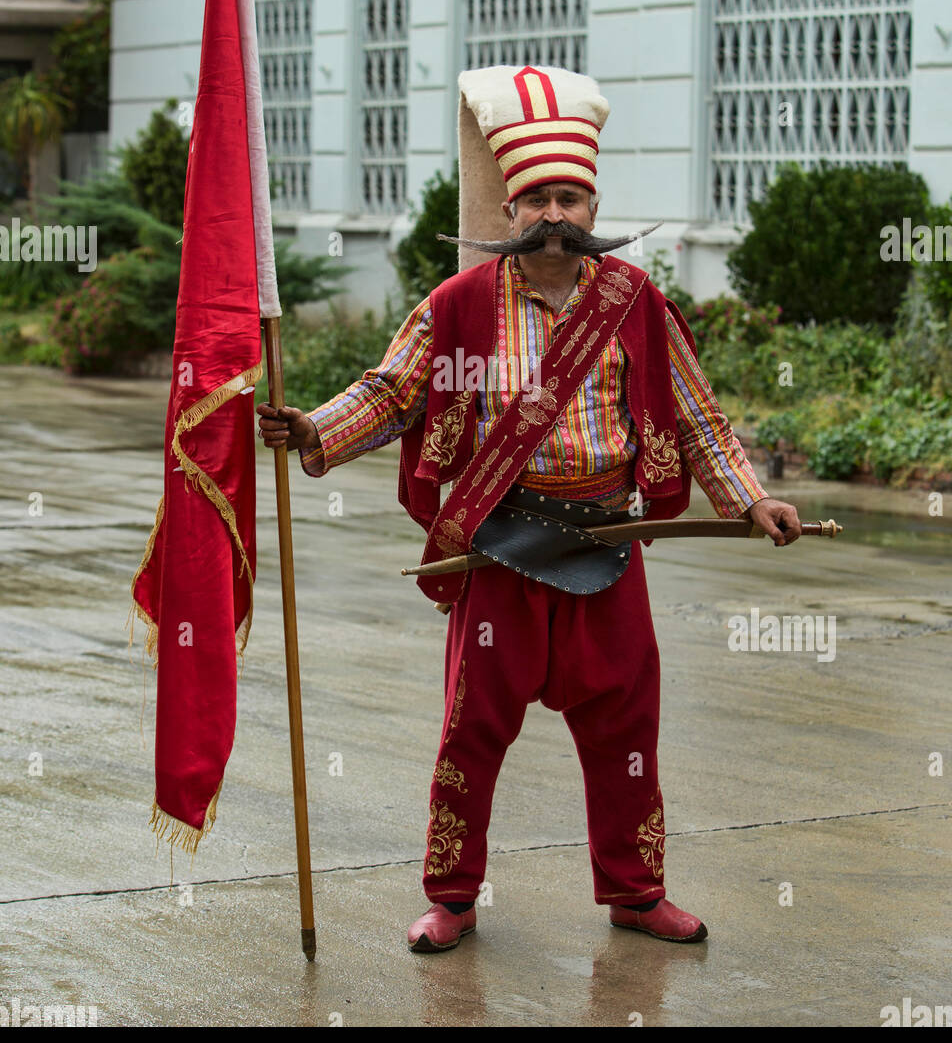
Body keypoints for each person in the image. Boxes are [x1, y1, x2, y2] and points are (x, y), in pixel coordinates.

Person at [258, 64, 801, 953]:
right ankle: (454, 900)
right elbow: (392, 393)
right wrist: (309, 427)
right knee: (471, 731)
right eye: (537, 199)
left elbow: (698, 418)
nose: (556, 214)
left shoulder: (637, 304)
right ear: (508, 212)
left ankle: (635, 892)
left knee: (627, 729)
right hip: (499, 545)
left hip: (609, 543)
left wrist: (752, 498)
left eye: (571, 198)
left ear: (592, 208)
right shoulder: (458, 307)